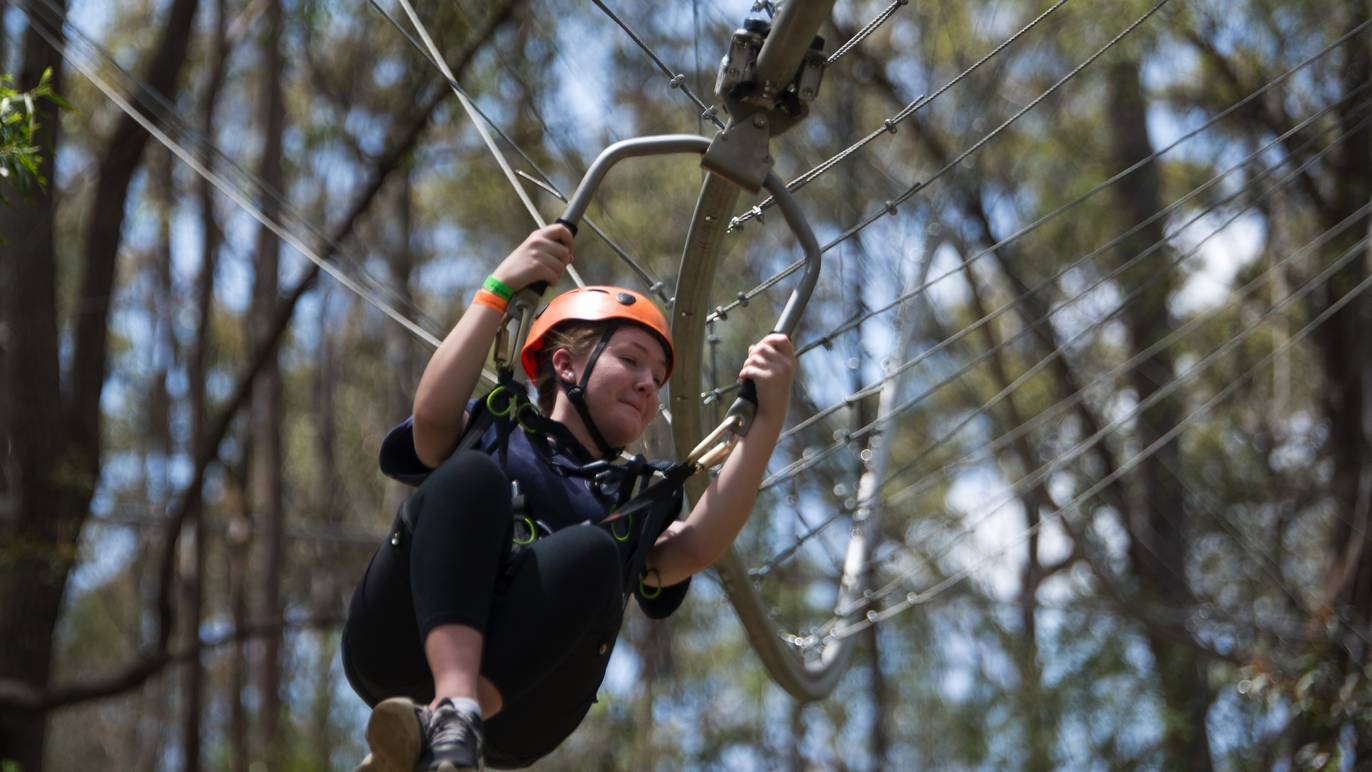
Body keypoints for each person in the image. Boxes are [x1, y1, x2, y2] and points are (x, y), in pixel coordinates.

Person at [341, 223, 796, 771]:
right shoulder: (494, 429)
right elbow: (433, 418)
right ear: (565, 364)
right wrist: (502, 287)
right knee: (471, 476)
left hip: (521, 705)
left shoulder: (636, 498)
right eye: (630, 360)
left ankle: (455, 722)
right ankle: (450, 718)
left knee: (596, 552)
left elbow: (698, 545)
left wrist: (765, 421)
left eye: (656, 376)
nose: (650, 384)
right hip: (394, 641)